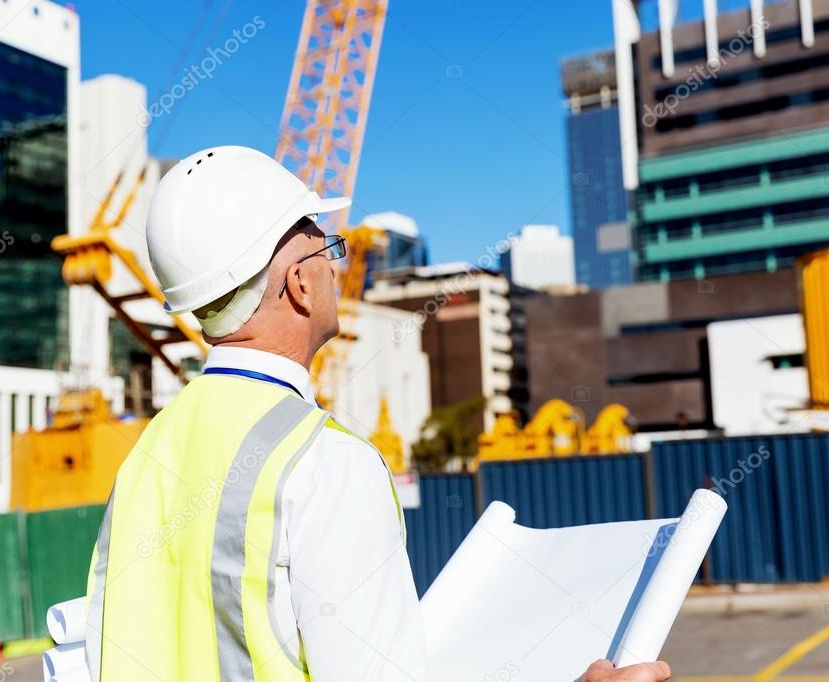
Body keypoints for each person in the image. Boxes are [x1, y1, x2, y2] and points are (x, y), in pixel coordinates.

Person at [83, 145, 672, 682]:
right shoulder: (325, 462)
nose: (336, 267)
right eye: (325, 249)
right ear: (299, 286)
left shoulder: (144, 456)